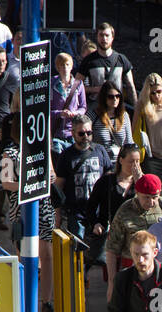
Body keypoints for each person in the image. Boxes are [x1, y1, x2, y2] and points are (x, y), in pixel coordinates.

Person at [0, 113, 55, 312]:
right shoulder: (10, 153)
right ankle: (24, 298)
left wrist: (47, 181)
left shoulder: (42, 149)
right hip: (21, 208)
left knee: (47, 255)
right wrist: (29, 187)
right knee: (24, 255)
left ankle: (46, 300)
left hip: (44, 206)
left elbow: (53, 175)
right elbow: (5, 183)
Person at [104, 174, 162, 297]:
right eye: (146, 197)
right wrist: (112, 283)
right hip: (133, 270)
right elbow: (112, 250)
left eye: (155, 197)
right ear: (137, 192)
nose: (151, 202)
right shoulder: (125, 211)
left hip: (159, 272)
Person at [53, 114, 112, 243]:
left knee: (99, 253)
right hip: (76, 212)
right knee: (77, 251)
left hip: (98, 211)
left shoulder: (100, 150)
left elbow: (109, 179)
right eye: (81, 133)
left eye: (89, 133)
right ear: (73, 133)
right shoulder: (66, 155)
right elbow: (59, 186)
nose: (86, 137)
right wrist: (57, 213)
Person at [88, 142, 142, 274]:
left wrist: (139, 181)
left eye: (137, 161)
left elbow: (148, 205)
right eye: (131, 161)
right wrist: (95, 224)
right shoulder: (107, 181)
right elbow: (90, 206)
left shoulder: (142, 183)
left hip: (133, 236)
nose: (134, 165)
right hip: (111, 235)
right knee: (112, 277)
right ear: (121, 160)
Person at [76, 22, 135, 109]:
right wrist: (95, 89)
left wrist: (136, 107)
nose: (104, 38)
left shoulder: (121, 59)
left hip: (116, 108)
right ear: (97, 37)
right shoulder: (88, 61)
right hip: (95, 109)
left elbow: (130, 86)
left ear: (112, 37)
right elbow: (76, 86)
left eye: (107, 35)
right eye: (101, 35)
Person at [49, 53, 86, 156]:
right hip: (56, 132)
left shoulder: (78, 84)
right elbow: (46, 109)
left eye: (67, 64)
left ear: (71, 66)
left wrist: (75, 113)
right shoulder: (51, 84)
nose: (65, 67)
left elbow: (83, 107)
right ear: (57, 67)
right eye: (61, 65)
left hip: (72, 132)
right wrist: (60, 113)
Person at [90, 81, 130, 161]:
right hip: (99, 161)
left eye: (117, 96)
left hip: (119, 163)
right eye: (111, 97)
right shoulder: (93, 115)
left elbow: (128, 141)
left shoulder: (124, 115)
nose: (115, 99)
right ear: (104, 98)